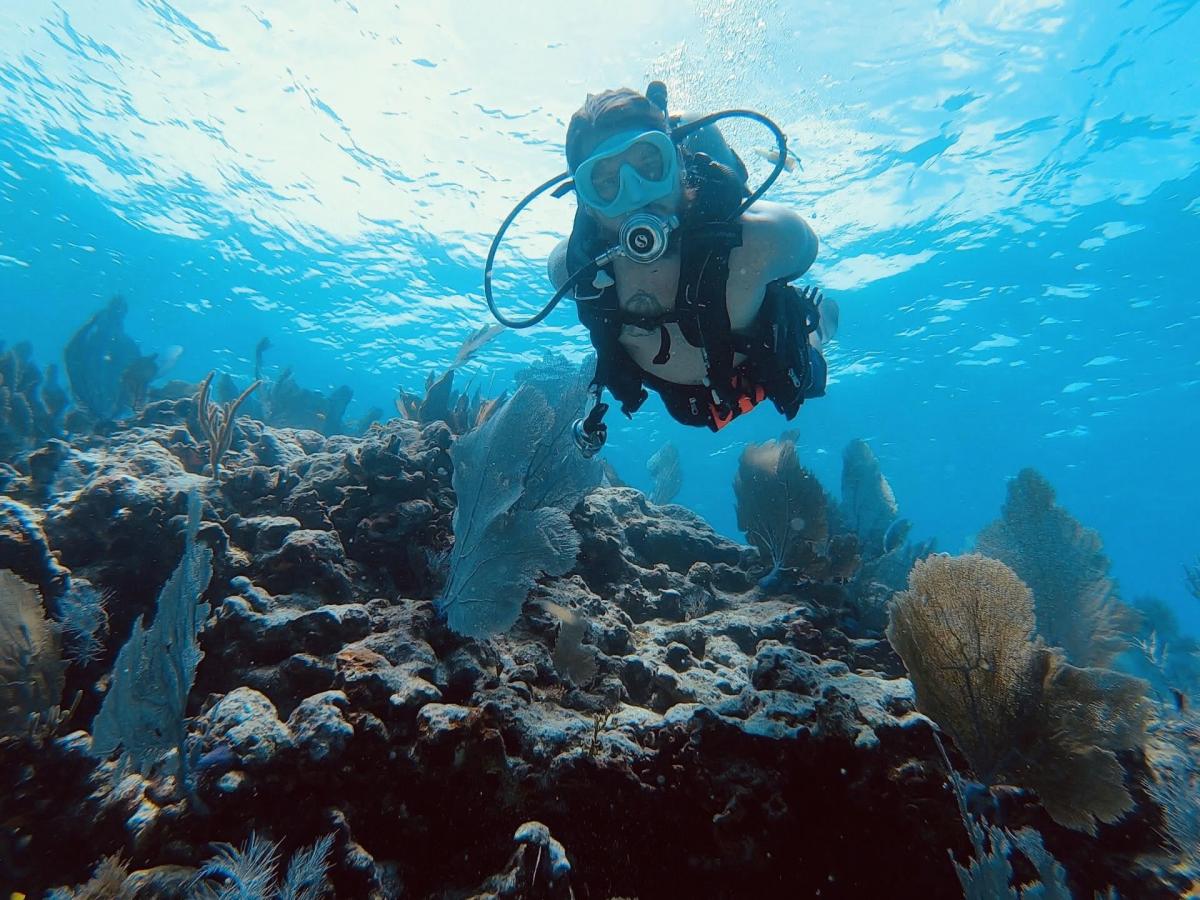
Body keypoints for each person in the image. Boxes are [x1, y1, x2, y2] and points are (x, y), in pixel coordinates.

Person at [547, 85, 837, 454]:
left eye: (649, 165)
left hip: (766, 365)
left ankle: (821, 330)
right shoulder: (573, 272)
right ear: (586, 203)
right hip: (681, 401)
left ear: (679, 164)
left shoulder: (766, 239)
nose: (635, 194)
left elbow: (804, 251)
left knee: (811, 376)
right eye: (606, 182)